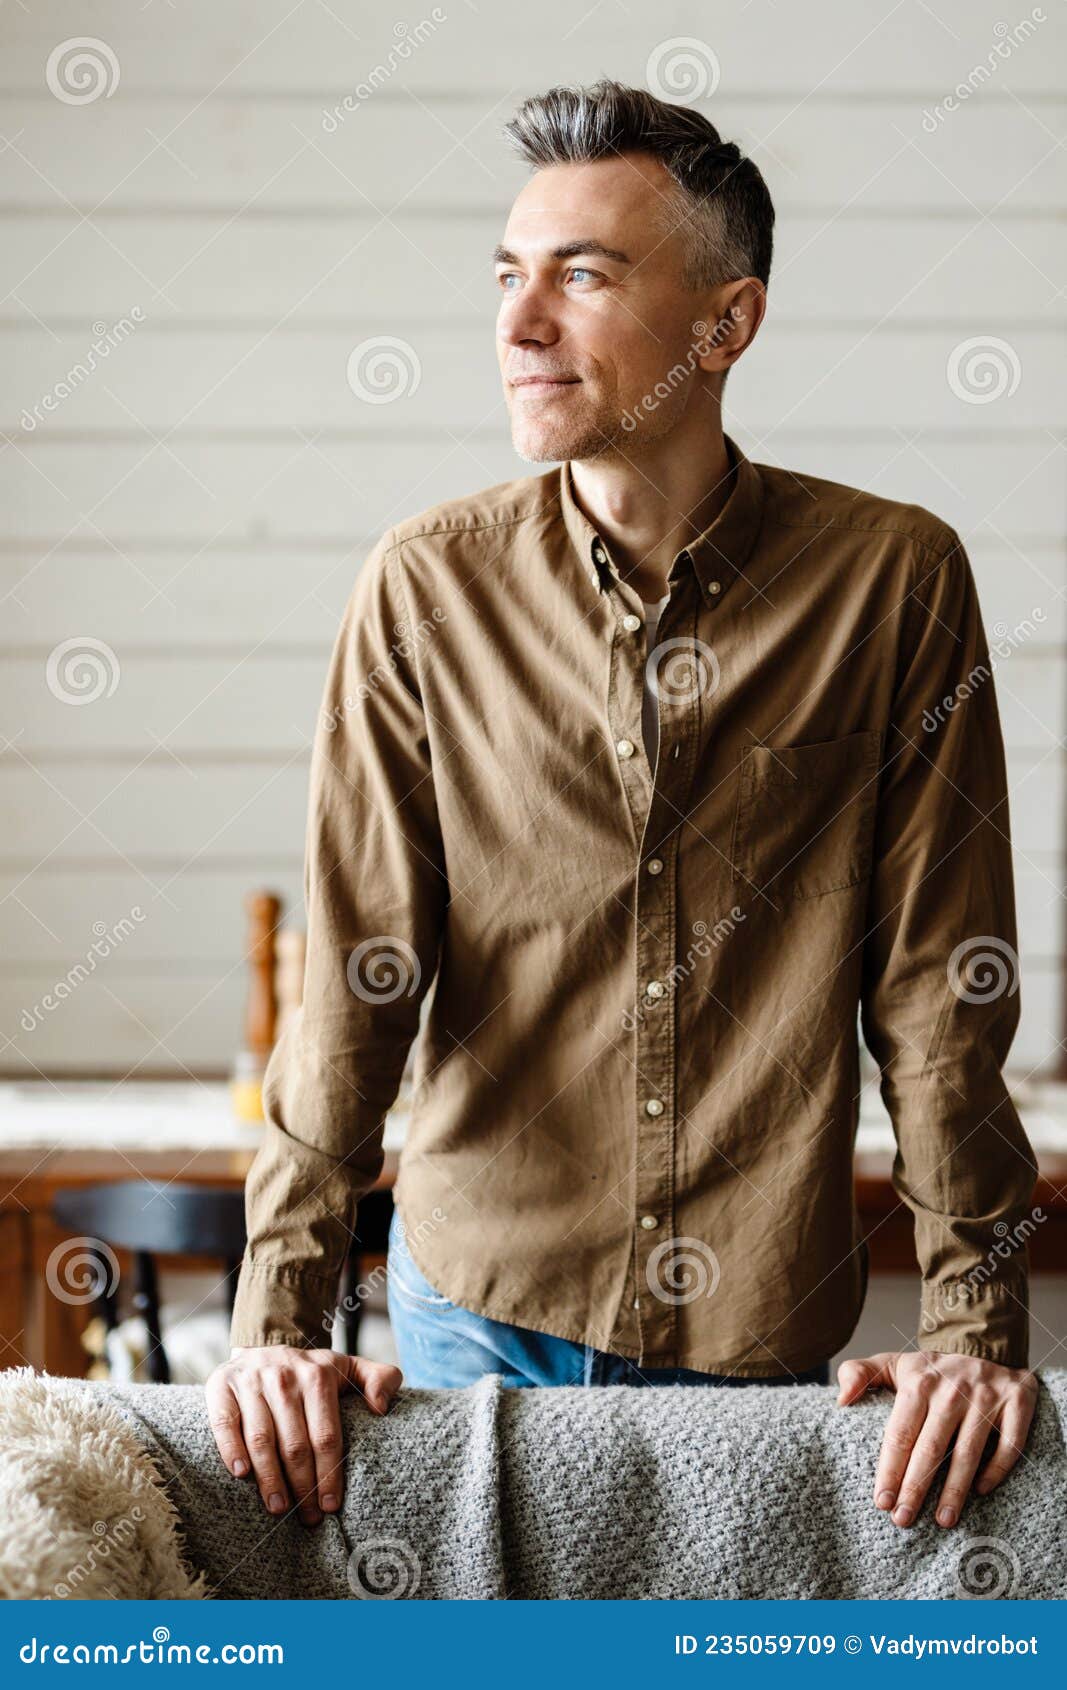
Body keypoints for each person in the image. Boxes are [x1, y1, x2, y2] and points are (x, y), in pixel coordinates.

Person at [207, 79, 1038, 1537]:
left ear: (728, 323)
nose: (519, 325)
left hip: (760, 1328)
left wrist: (975, 1321)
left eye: (582, 276)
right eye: (508, 277)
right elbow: (356, 978)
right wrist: (280, 1314)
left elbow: (940, 989)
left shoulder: (895, 581)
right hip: (474, 1308)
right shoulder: (424, 588)